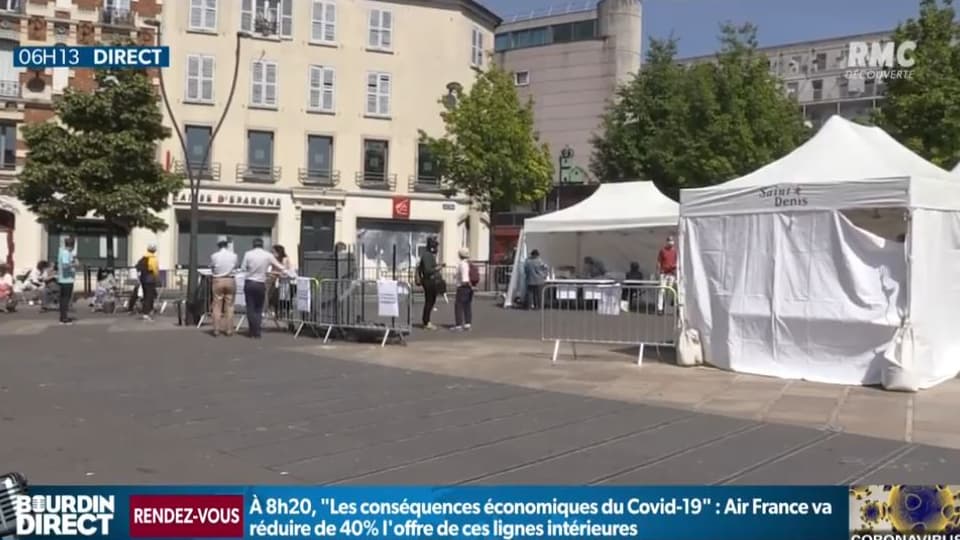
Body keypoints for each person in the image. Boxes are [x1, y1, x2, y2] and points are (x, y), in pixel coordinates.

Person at [240, 238, 287, 338]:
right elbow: (280, 267)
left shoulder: (248, 254)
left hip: (250, 282)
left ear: (253, 245)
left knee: (250, 307)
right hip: (261, 283)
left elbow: (243, 267)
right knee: (258, 308)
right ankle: (257, 331)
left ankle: (252, 330)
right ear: (262, 245)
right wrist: (288, 272)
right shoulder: (268, 255)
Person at [210, 235, 239, 337]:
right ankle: (229, 329)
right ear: (227, 245)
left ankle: (216, 329)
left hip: (218, 280)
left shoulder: (214, 256)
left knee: (217, 305)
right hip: (230, 279)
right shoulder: (234, 255)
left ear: (218, 245)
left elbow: (212, 267)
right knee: (229, 306)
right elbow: (236, 266)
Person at [416, 237, 442, 329]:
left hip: (430, 281)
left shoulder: (429, 255)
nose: (436, 249)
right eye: (435, 246)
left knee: (431, 301)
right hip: (428, 281)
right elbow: (428, 270)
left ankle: (426, 321)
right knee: (429, 301)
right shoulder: (427, 255)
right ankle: (426, 321)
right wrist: (437, 268)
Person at [136, 243, 160, 321]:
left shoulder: (143, 257)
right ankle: (146, 313)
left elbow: (138, 267)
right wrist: (157, 278)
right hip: (150, 279)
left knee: (146, 295)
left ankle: (147, 311)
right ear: (154, 250)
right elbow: (155, 270)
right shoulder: (153, 259)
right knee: (149, 296)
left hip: (143, 278)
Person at [451, 248, 474, 331]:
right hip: (467, 287)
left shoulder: (461, 264)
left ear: (460, 255)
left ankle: (458, 325)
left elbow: (465, 279)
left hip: (462, 287)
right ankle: (468, 324)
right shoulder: (467, 264)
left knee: (459, 306)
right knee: (467, 305)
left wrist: (467, 284)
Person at [56, 237, 78, 324]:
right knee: (65, 299)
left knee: (63, 299)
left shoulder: (62, 251)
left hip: (63, 279)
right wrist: (74, 264)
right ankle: (64, 318)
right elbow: (65, 265)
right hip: (67, 280)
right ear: (72, 245)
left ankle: (62, 317)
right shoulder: (66, 253)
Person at [267, 244, 291, 317]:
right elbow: (271, 268)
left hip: (283, 281)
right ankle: (275, 311)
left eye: (274, 252)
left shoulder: (285, 259)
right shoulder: (273, 259)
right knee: (273, 296)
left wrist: (275, 273)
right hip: (274, 280)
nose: (273, 254)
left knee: (283, 298)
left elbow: (286, 270)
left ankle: (285, 312)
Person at [656, 235, 678, 315]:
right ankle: (660, 308)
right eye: (669, 240)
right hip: (664, 273)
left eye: (672, 240)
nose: (671, 242)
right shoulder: (662, 250)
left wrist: (675, 268)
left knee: (670, 291)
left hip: (671, 273)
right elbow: (658, 261)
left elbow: (677, 262)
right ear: (667, 241)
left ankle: (667, 307)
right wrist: (659, 271)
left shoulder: (675, 251)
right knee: (662, 290)